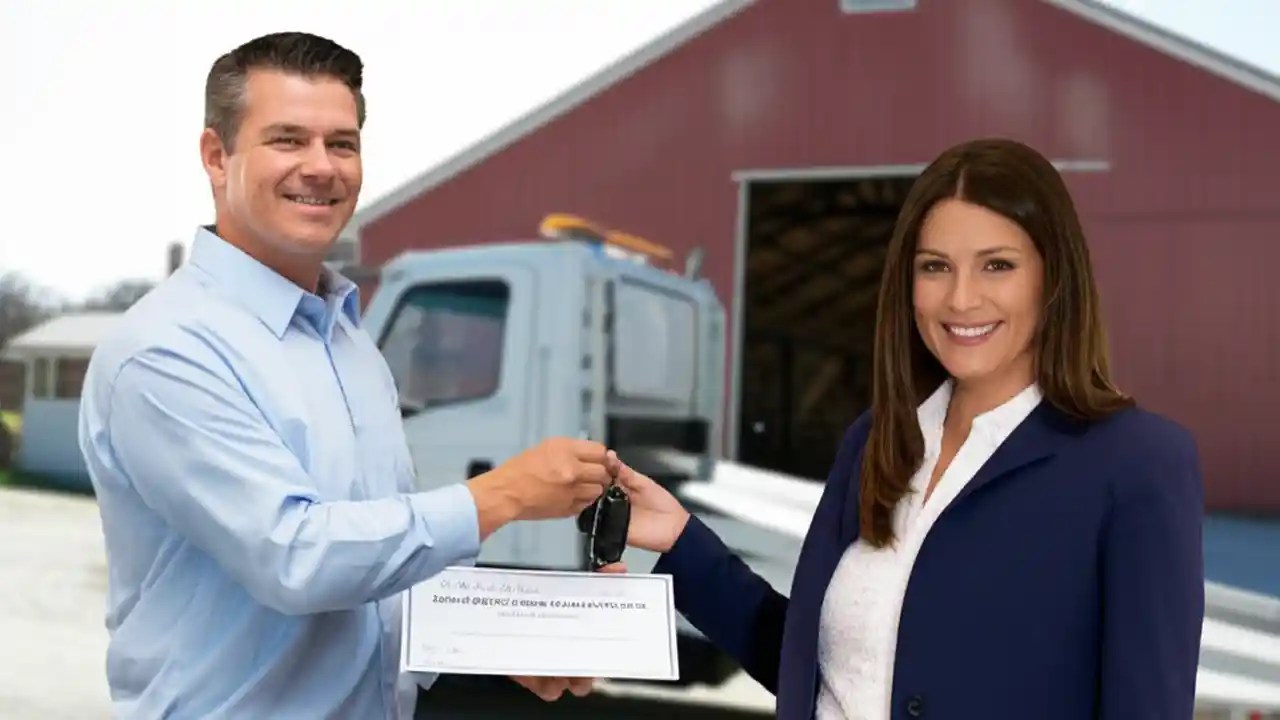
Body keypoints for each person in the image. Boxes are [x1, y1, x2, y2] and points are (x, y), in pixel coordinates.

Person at [78, 31, 611, 719]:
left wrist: (485, 637)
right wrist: (500, 495)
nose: (321, 167)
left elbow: (377, 565)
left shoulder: (348, 340)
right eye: (288, 140)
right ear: (217, 155)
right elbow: (294, 556)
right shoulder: (166, 351)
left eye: (343, 143)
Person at [611, 138, 1206, 719]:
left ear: (1053, 279)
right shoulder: (875, 441)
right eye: (935, 267)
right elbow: (816, 667)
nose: (961, 298)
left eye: (997, 265)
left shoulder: (1136, 464)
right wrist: (681, 542)